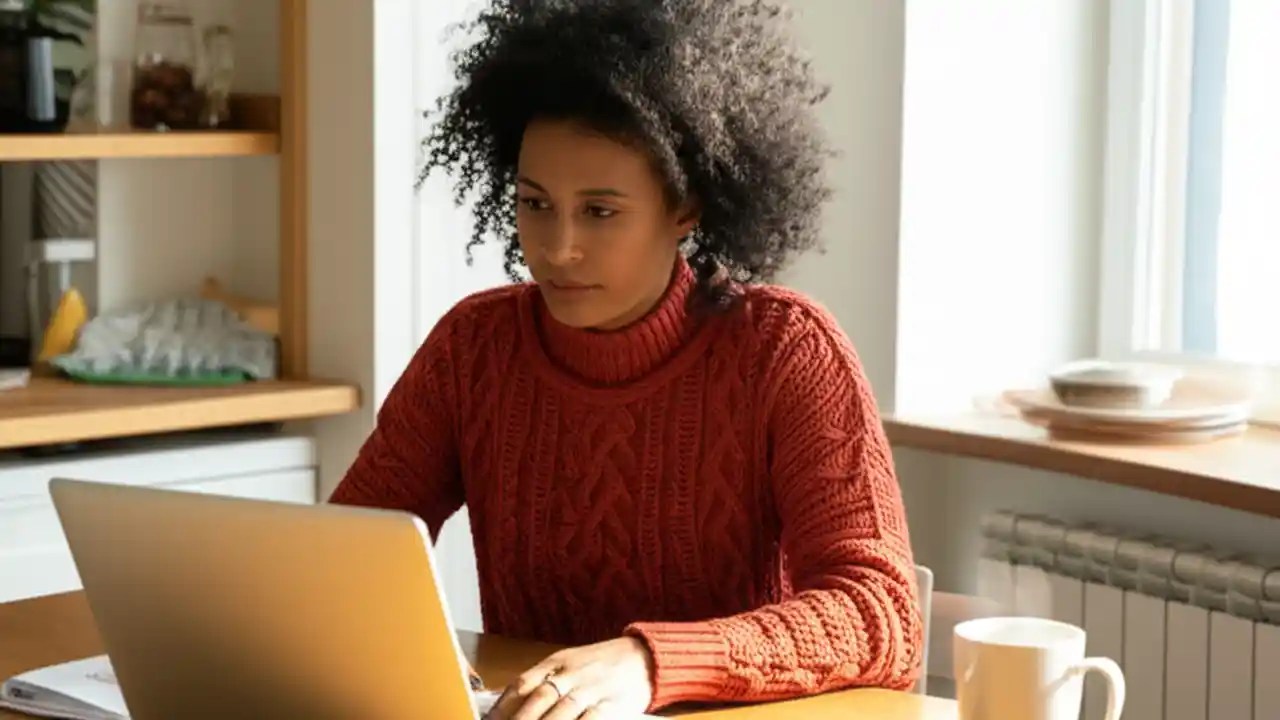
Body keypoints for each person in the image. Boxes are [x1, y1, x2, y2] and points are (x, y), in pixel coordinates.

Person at [329, 0, 922, 717]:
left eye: (600, 211)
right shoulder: (473, 348)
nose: (556, 247)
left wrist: (648, 661)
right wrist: (403, 650)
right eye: (536, 203)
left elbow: (879, 614)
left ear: (687, 208)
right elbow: (344, 556)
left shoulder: (785, 351)